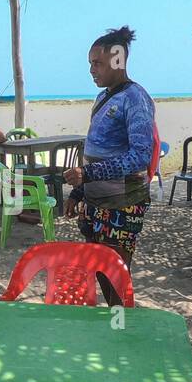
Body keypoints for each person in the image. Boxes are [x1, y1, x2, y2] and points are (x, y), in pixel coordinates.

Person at [63, 26, 156, 297]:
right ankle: (111, 324)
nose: (92, 70)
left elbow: (140, 155)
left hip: (122, 205)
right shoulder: (103, 96)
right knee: (99, 269)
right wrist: (79, 191)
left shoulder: (135, 98)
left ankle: (121, 328)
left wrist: (87, 173)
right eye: (90, 63)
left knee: (115, 275)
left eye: (97, 63)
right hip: (96, 202)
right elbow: (98, 149)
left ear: (118, 61)